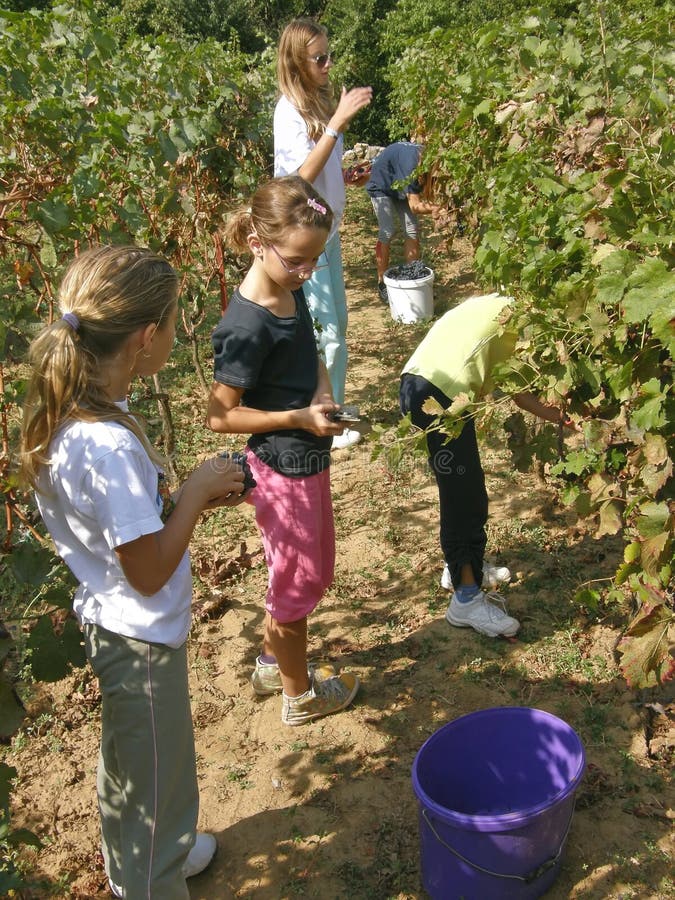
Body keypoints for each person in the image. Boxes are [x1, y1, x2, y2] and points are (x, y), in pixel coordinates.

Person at [20, 245, 249, 899]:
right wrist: (199, 493)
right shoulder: (111, 445)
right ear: (148, 338)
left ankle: (142, 861)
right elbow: (147, 570)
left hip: (115, 628)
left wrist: (179, 504)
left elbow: (126, 537)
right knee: (158, 784)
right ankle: (152, 873)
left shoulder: (77, 418)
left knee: (129, 768)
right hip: (141, 642)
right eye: (174, 325)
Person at [206, 175, 361, 726]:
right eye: (298, 260)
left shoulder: (288, 288)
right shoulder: (246, 325)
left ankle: (273, 661)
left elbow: (311, 347)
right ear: (257, 243)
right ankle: (300, 698)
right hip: (283, 467)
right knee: (298, 585)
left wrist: (322, 392)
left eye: (316, 259)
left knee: (309, 574)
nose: (307, 272)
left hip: (306, 458)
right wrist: (298, 417)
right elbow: (220, 414)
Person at [400, 293, 576, 638]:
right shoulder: (526, 327)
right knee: (463, 499)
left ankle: (463, 570)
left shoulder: (498, 304)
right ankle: (465, 599)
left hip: (418, 384)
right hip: (437, 397)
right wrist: (566, 417)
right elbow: (520, 394)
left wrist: (560, 418)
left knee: (466, 491)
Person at [274, 17, 372, 449]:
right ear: (298, 62)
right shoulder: (288, 111)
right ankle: (326, 420)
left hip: (326, 233)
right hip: (305, 238)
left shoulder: (312, 104)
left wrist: (342, 176)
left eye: (329, 56)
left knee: (338, 325)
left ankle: (331, 407)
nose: (329, 65)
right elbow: (298, 178)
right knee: (326, 329)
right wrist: (336, 126)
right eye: (320, 58)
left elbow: (321, 168)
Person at [365, 140, 443, 303]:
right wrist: (437, 208)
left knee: (412, 229)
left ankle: (413, 277)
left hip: (398, 183)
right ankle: (382, 283)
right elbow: (415, 206)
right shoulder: (411, 167)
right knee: (387, 230)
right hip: (381, 184)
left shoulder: (427, 158)